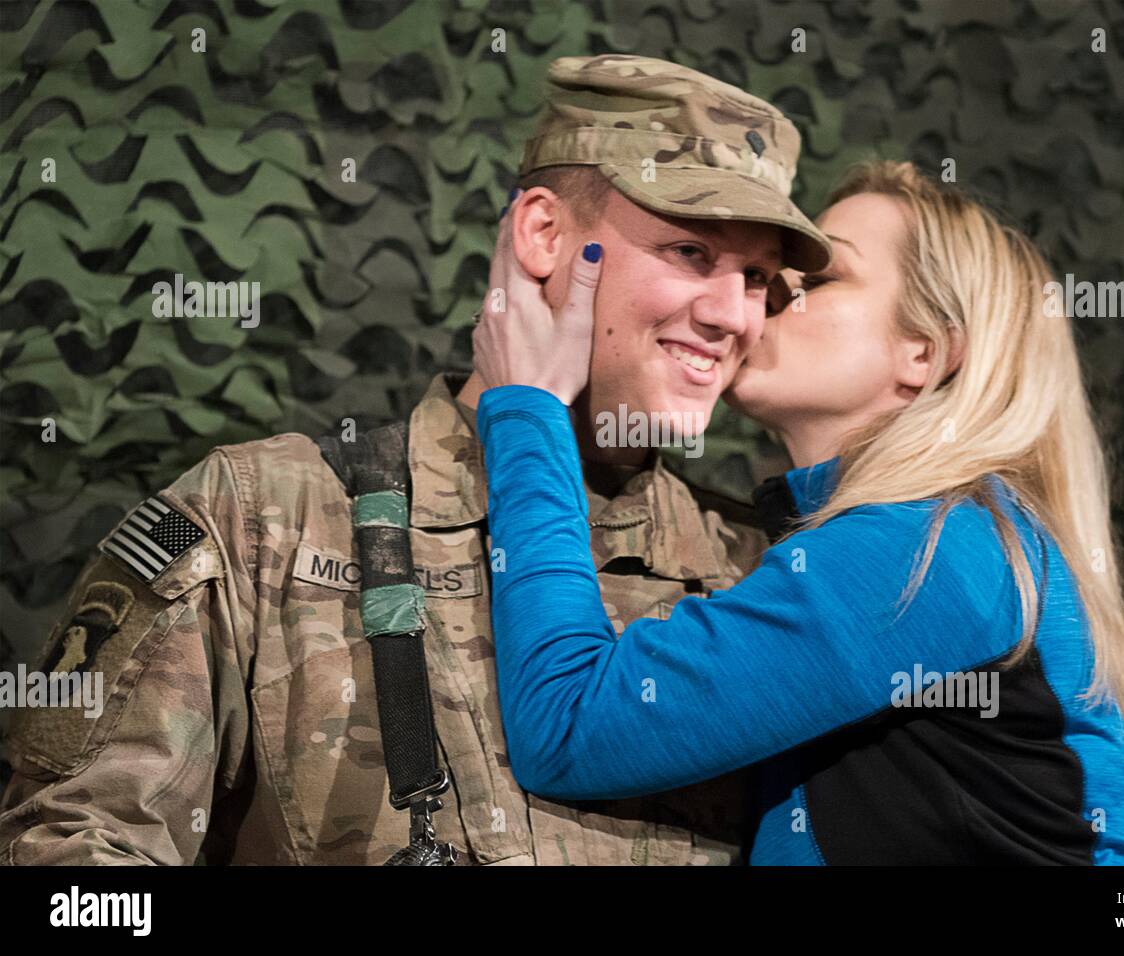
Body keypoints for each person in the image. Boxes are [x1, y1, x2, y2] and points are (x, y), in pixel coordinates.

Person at [0, 54, 833, 865]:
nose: (735, 315)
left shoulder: (762, 570)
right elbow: (72, 851)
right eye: (692, 253)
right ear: (543, 233)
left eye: (759, 278)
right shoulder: (265, 518)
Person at [472, 160, 1124, 864]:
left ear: (925, 352)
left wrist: (529, 404)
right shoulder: (945, 532)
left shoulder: (924, 546)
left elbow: (569, 726)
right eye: (769, 281)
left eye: (815, 282)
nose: (757, 305)